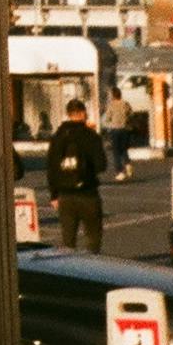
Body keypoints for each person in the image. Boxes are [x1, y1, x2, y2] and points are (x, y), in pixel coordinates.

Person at [46, 99, 109, 251]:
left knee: (68, 241)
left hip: (65, 196)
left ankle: (70, 271)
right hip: (88, 194)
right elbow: (101, 165)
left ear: (68, 114)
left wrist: (54, 195)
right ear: (82, 113)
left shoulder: (58, 137)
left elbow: (52, 168)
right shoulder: (91, 136)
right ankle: (90, 271)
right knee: (93, 238)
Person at [101, 86, 134, 182]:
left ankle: (120, 172)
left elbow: (107, 118)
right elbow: (131, 114)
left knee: (116, 152)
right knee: (124, 149)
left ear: (113, 95)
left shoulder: (111, 105)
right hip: (125, 129)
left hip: (115, 130)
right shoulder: (125, 103)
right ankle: (127, 164)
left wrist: (108, 124)